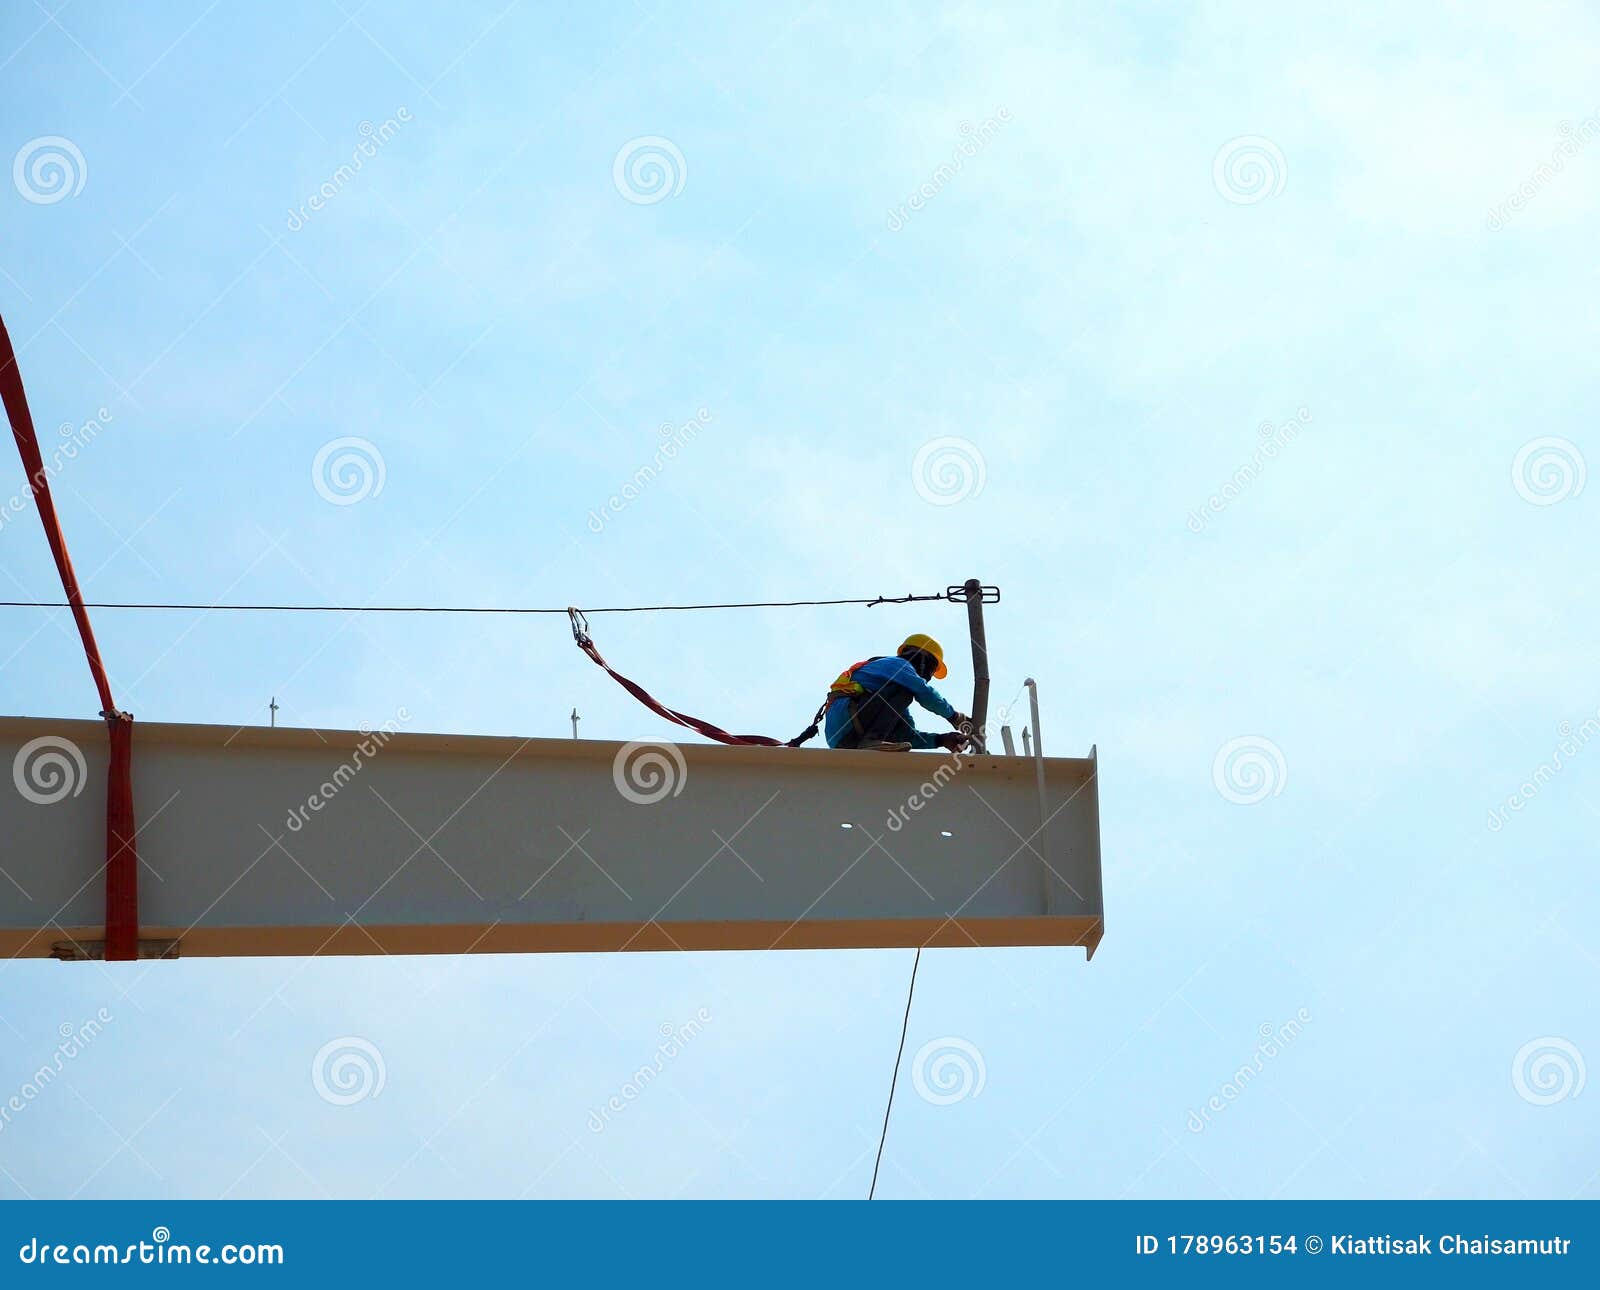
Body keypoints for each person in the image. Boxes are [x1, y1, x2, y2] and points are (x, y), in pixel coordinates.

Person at [823, 634, 971, 752]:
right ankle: (871, 740)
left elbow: (906, 735)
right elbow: (924, 691)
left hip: (844, 737)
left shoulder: (890, 693)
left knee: (901, 724)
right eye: (932, 668)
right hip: (850, 721)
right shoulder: (898, 665)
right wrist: (955, 717)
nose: (930, 676)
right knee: (907, 691)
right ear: (923, 659)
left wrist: (941, 740)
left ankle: (872, 741)